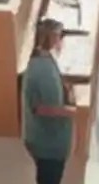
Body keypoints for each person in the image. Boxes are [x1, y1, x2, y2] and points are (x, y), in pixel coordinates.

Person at [23, 18, 75, 184]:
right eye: (60, 36)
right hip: (48, 144)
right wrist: (74, 112)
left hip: (47, 143)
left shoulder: (41, 62)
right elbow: (43, 108)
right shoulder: (43, 68)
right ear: (53, 38)